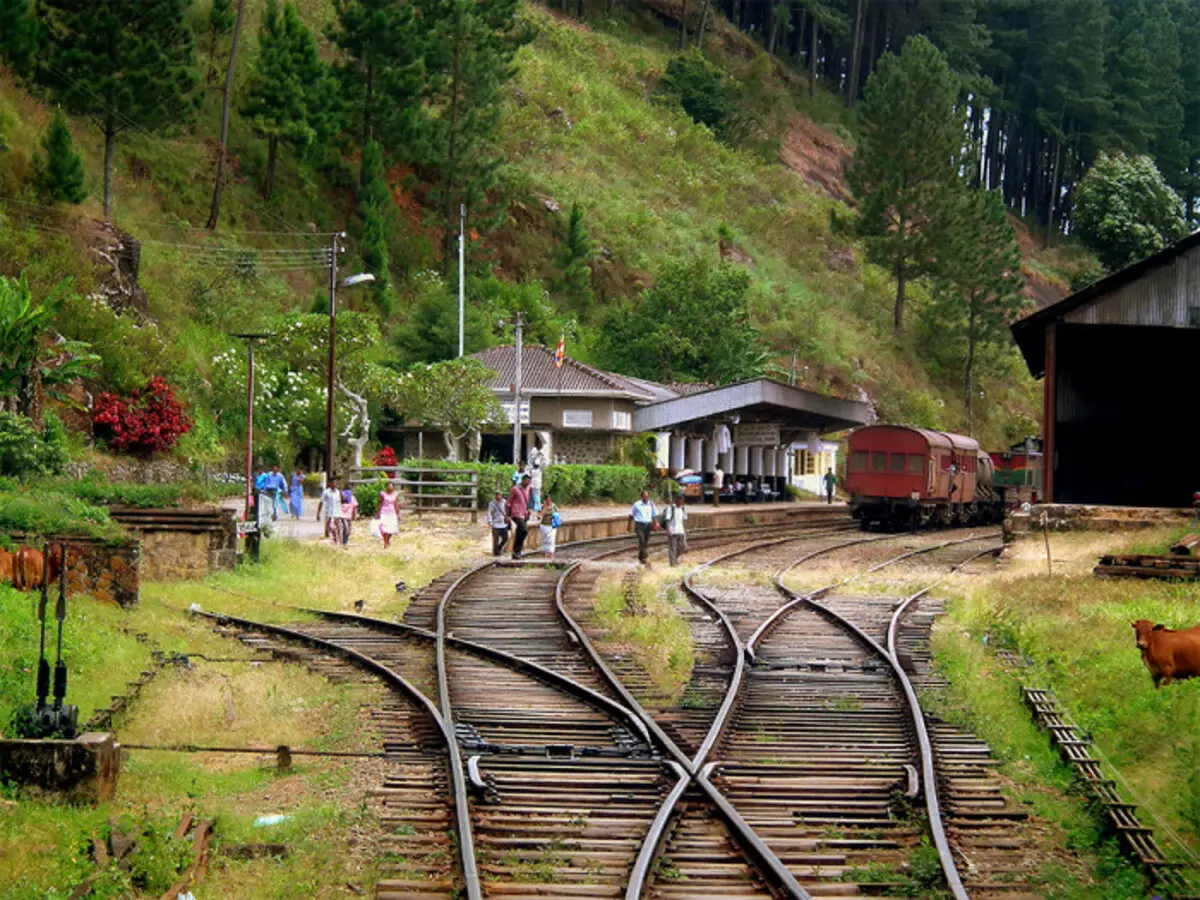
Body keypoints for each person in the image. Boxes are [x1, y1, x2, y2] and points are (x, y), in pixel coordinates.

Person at [629, 490, 659, 566]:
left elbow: (654, 514)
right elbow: (631, 515)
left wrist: (656, 523)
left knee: (645, 543)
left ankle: (640, 558)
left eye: (647, 496)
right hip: (639, 525)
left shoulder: (651, 504)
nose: (646, 498)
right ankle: (646, 558)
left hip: (648, 525)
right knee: (642, 541)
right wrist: (629, 525)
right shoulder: (637, 504)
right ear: (641, 496)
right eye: (644, 496)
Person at [506, 473, 532, 560]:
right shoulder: (515, 489)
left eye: (529, 481)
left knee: (520, 532)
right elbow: (508, 503)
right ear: (523, 480)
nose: (528, 483)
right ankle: (516, 550)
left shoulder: (528, 489)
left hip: (523, 514)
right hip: (516, 513)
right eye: (527, 481)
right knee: (524, 530)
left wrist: (527, 511)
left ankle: (516, 552)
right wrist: (507, 515)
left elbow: (526, 502)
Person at [664, 494, 688, 566]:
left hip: (681, 531)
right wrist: (668, 530)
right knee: (673, 548)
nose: (681, 502)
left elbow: (684, 520)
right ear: (676, 500)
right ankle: (673, 563)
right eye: (680, 500)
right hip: (673, 531)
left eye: (682, 500)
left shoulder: (683, 509)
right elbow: (667, 520)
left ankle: (674, 559)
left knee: (681, 547)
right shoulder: (671, 508)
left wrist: (685, 531)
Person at [317, 477, 343, 544]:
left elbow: (343, 500)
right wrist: (318, 514)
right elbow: (321, 502)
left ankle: (340, 542)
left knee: (339, 528)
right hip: (329, 514)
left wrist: (341, 492)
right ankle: (332, 542)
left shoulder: (338, 492)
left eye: (336, 483)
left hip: (337, 513)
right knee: (330, 529)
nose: (335, 484)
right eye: (333, 483)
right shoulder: (326, 492)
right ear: (329, 483)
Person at [378, 481, 400, 549]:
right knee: (385, 529)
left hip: (392, 513)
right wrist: (378, 512)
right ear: (386, 487)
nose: (390, 487)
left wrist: (398, 513)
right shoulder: (383, 494)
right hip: (384, 512)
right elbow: (380, 503)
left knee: (391, 529)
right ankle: (385, 542)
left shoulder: (395, 494)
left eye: (391, 486)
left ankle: (388, 540)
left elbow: (396, 504)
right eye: (389, 486)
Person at [487, 489, 509, 557]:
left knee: (505, 538)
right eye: (496, 494)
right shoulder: (492, 503)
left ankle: (499, 547)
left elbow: (507, 511)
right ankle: (495, 553)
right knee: (495, 540)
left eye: (499, 494)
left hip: (503, 523)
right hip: (495, 524)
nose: (497, 496)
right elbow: (489, 513)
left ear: (501, 495)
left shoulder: (505, 502)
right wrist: (490, 521)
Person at [539, 493, 560, 560]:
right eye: (547, 500)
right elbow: (539, 516)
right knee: (544, 540)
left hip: (552, 525)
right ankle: (543, 555)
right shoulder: (542, 507)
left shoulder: (554, 506)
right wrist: (545, 508)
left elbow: (557, 514)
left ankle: (551, 555)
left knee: (551, 540)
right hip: (544, 525)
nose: (548, 501)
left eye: (549, 499)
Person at [529, 443, 547, 512]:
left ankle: (537, 506)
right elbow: (544, 464)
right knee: (537, 495)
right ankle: (537, 506)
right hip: (538, 484)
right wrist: (541, 455)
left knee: (535, 496)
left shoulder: (532, 470)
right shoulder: (540, 470)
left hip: (534, 485)